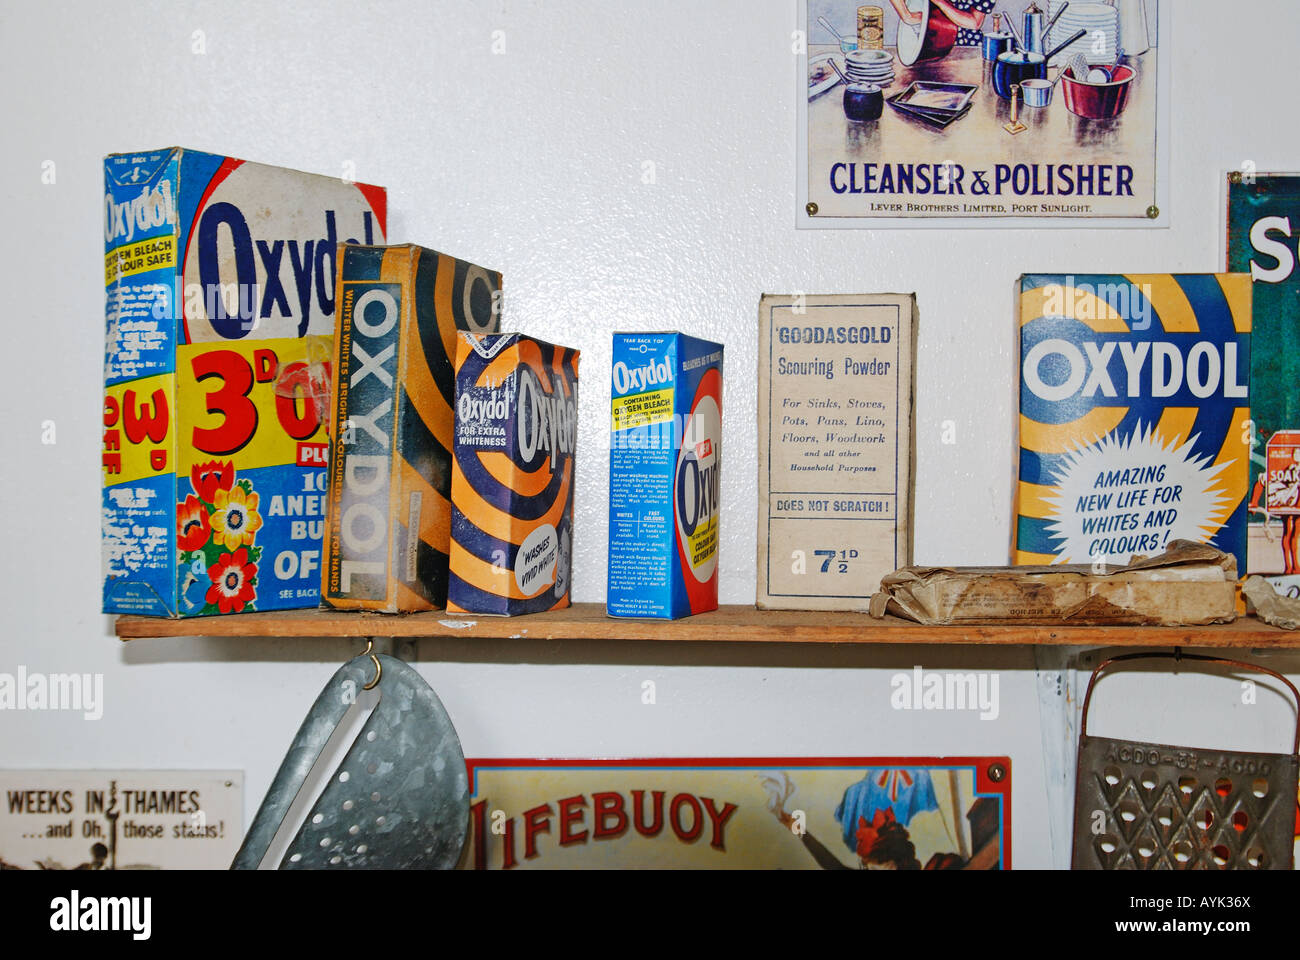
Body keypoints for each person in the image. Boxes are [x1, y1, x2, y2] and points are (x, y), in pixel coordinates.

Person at [887, 0, 997, 48]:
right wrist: (906, 16)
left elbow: (974, 23)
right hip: (928, 42)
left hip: (965, 46)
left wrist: (940, 2)